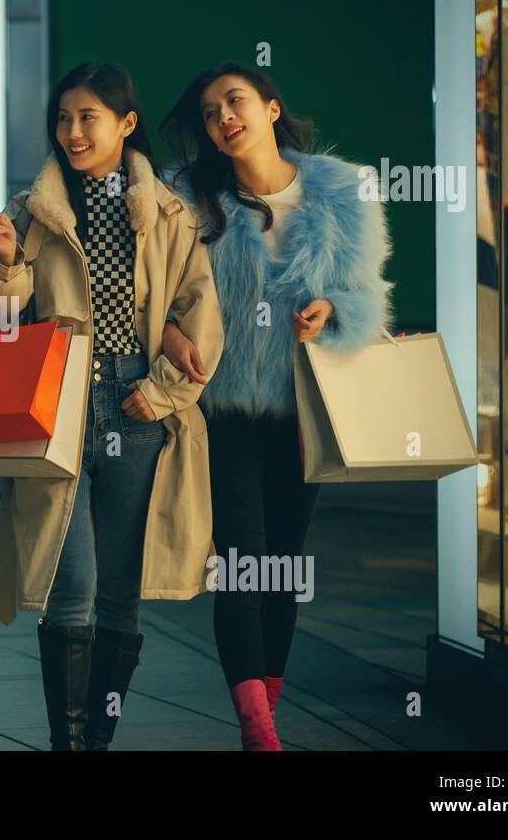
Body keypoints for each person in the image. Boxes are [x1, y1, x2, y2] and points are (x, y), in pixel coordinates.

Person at [0, 62, 223, 750]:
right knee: (68, 579)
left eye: (89, 118)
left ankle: (93, 743)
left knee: (120, 591)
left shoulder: (171, 213)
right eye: (63, 118)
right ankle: (68, 745)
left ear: (126, 124)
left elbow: (201, 317)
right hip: (59, 407)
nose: (73, 132)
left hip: (137, 406)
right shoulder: (33, 210)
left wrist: (161, 391)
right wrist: (0, 262)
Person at [158, 63, 391, 750]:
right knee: (242, 559)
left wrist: (335, 310)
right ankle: (256, 726)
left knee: (283, 562)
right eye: (208, 112)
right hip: (222, 405)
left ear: (270, 108)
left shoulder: (341, 192)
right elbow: (156, 293)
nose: (222, 117)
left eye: (234, 102)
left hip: (303, 406)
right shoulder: (188, 199)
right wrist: (168, 330)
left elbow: (368, 293)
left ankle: (269, 704)